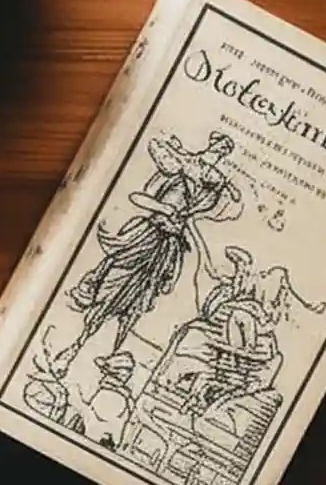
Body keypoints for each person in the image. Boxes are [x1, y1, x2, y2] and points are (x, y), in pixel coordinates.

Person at [51, 132, 242, 376]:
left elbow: (195, 220)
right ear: (209, 146)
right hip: (148, 234)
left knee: (141, 302)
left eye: (223, 153)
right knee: (114, 275)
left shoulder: (208, 189)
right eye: (217, 149)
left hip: (168, 247)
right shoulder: (175, 171)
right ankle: (77, 334)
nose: (217, 157)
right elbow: (139, 197)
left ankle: (110, 357)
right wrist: (163, 208)